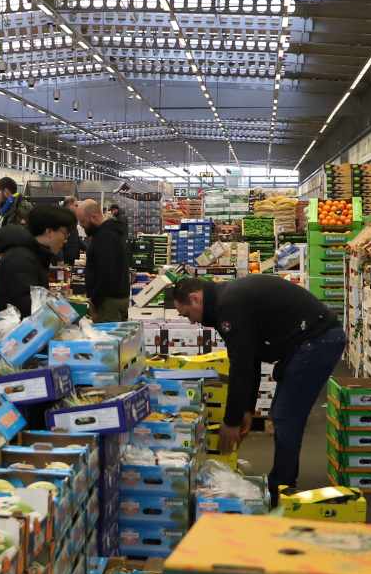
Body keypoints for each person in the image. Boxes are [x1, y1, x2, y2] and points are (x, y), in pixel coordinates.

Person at [171, 274, 347, 504]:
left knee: (285, 415)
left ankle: (281, 490)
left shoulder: (228, 307)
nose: (191, 321)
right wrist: (247, 410)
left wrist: (232, 421)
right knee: (282, 413)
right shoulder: (225, 302)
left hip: (318, 340)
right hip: (307, 341)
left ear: (195, 299)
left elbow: (241, 366)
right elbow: (250, 358)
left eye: (187, 314)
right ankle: (282, 483)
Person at [0, 204, 75, 318]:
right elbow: (25, 306)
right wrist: (60, 311)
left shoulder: (35, 255)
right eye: (65, 234)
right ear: (49, 232)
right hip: (17, 333)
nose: (65, 240)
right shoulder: (19, 259)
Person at [78, 199, 130, 321]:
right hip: (113, 298)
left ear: (94, 217)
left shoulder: (105, 237)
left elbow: (106, 273)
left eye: (83, 222)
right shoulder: (109, 232)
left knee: (107, 338)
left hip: (108, 302)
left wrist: (94, 301)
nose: (82, 226)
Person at [60, 197, 85, 264]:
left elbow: (75, 237)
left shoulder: (72, 220)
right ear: (69, 205)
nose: (78, 208)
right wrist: (60, 260)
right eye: (76, 205)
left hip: (73, 260)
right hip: (65, 261)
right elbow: (58, 241)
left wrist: (88, 248)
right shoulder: (62, 219)